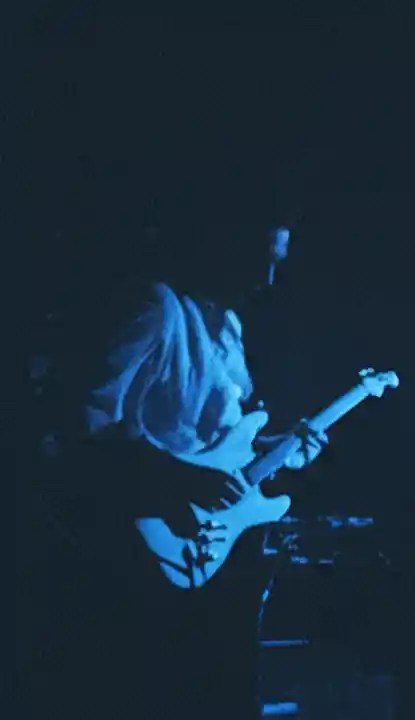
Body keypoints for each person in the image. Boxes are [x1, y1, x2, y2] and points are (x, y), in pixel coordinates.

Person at [23, 280, 325, 719]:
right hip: (147, 541)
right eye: (266, 255)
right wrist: (173, 476)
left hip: (215, 547)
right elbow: (79, 421)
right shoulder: (153, 308)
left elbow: (217, 441)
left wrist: (277, 448)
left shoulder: (229, 326)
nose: (270, 276)